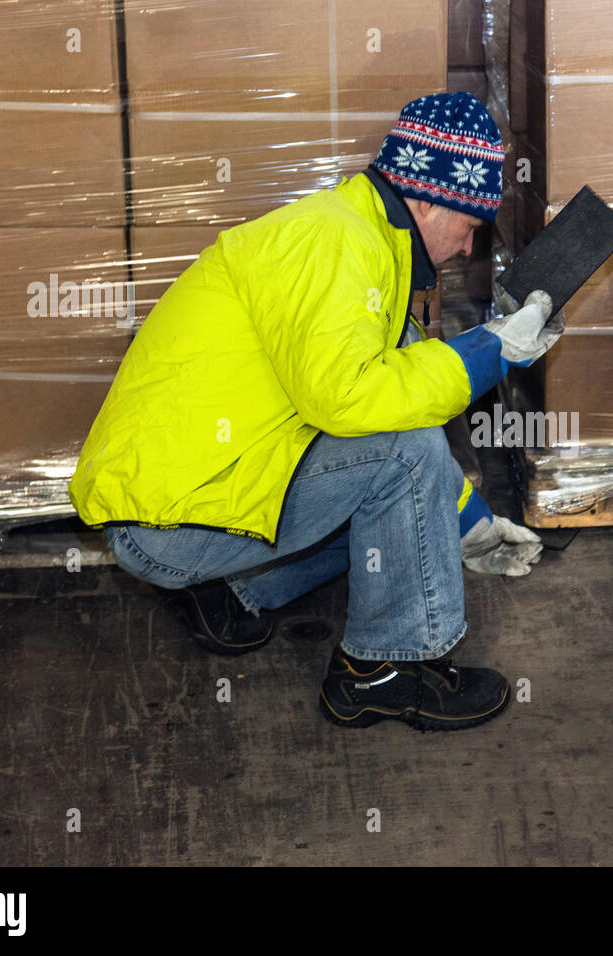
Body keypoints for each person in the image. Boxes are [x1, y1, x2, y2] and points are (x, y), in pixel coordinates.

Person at [68, 92, 563, 732]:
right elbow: (353, 402)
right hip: (169, 522)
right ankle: (383, 672)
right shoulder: (336, 244)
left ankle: (236, 590)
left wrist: (467, 525)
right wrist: (488, 350)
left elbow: (390, 392)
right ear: (434, 200)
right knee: (403, 453)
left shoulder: (362, 245)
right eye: (469, 226)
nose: (468, 249)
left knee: (396, 497)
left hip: (200, 495)